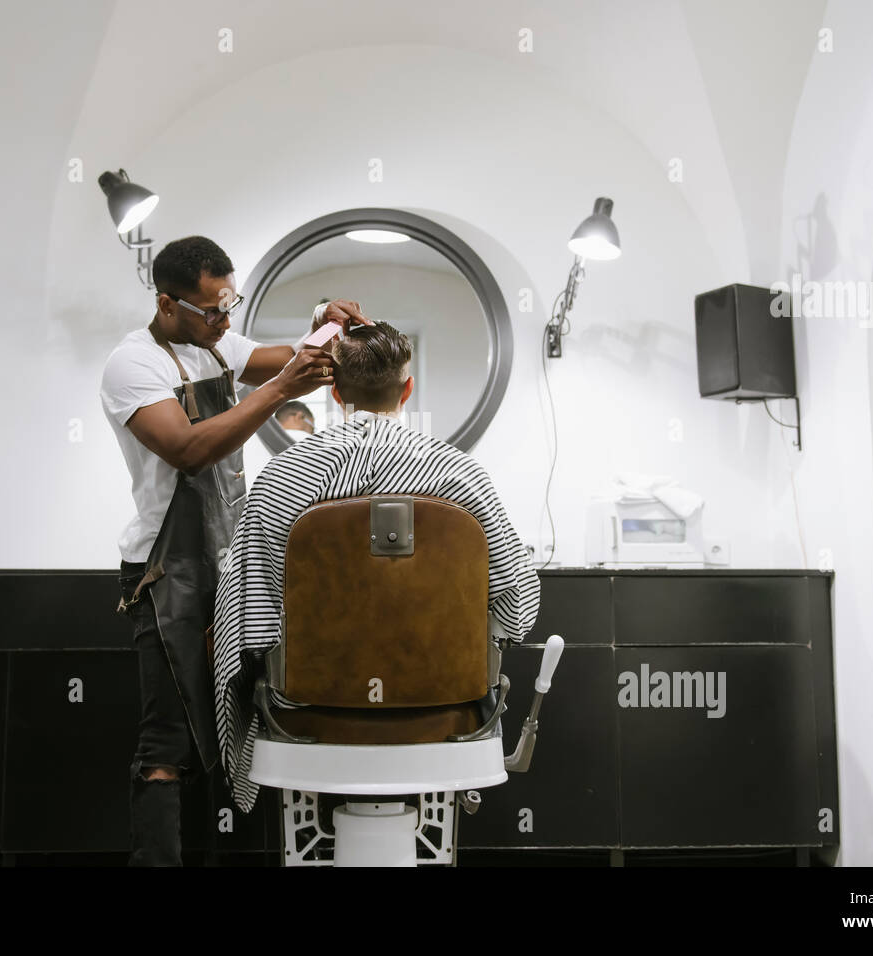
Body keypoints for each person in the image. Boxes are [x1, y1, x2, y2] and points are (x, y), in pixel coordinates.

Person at [99, 235, 368, 865]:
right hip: (166, 573)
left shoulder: (211, 341)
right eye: (214, 310)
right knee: (168, 742)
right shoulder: (136, 364)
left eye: (231, 305)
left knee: (231, 736)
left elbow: (284, 356)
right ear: (168, 304)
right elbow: (189, 450)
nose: (226, 321)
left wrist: (323, 327)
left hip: (224, 564)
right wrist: (278, 390)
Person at [211, 321, 541, 813]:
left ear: (336, 391)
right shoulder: (460, 473)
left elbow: (248, 620)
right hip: (444, 709)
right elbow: (518, 601)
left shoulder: (285, 478)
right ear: (408, 388)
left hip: (310, 711)